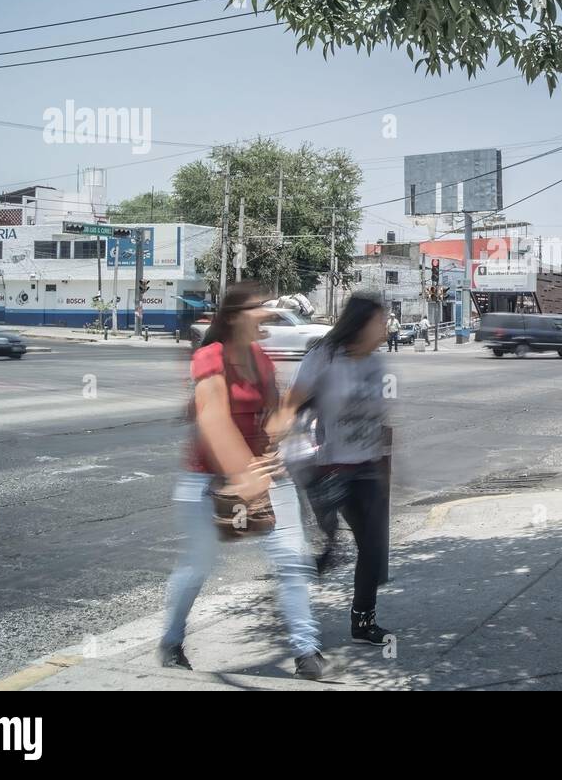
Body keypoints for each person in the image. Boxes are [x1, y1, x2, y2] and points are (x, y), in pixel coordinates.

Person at [159, 282, 330, 680]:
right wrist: (242, 476)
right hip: (206, 480)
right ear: (236, 317)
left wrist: (280, 439)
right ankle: (171, 639)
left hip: (261, 473)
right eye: (260, 308)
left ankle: (306, 651)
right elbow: (212, 418)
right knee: (197, 565)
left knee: (292, 558)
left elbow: (272, 415)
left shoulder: (260, 359)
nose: (269, 313)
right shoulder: (209, 357)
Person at [275, 295, 394, 646]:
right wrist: (269, 452)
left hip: (368, 467)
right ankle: (291, 598)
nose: (386, 328)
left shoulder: (374, 365)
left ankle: (363, 621)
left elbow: (382, 419)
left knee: (373, 548)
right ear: (361, 323)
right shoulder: (324, 357)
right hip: (330, 467)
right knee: (327, 542)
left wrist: (386, 467)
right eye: (381, 321)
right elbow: (290, 406)